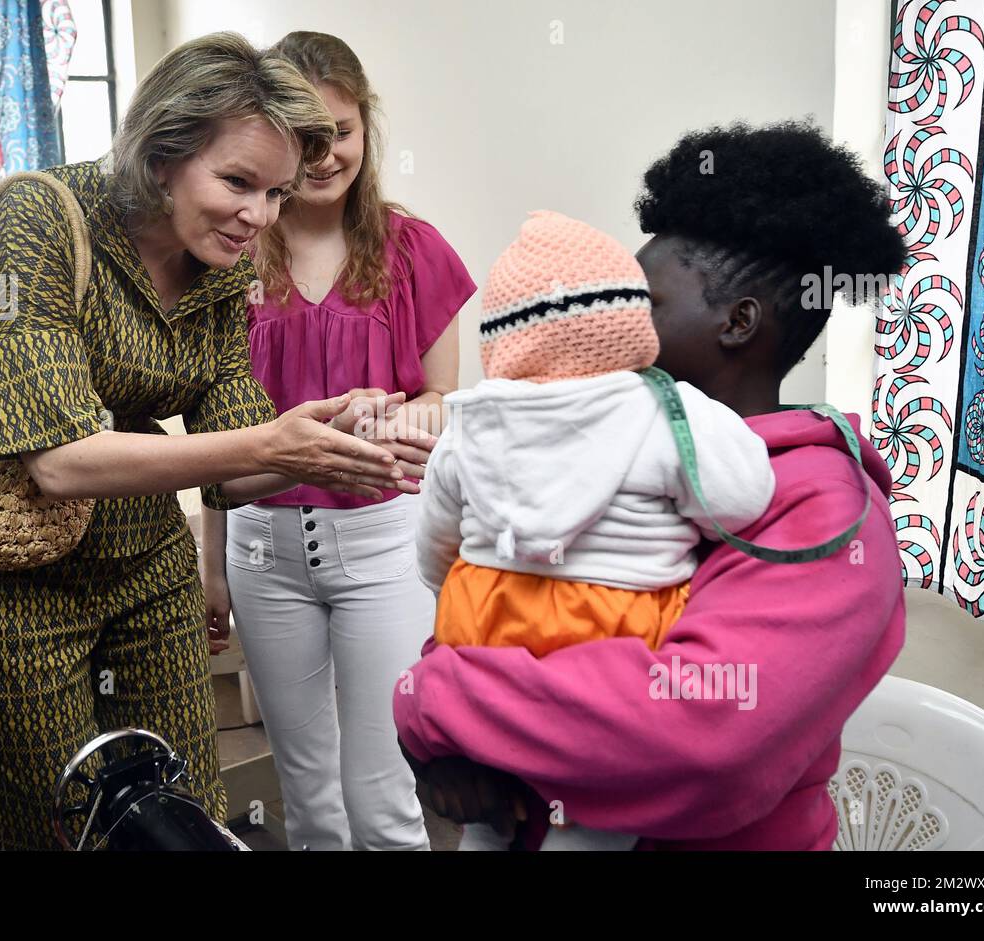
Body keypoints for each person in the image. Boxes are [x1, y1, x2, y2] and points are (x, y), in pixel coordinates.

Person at [0, 32, 428, 850]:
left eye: (278, 193)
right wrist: (273, 446)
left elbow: (236, 453)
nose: (259, 216)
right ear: (159, 159)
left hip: (144, 562)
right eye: (238, 182)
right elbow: (58, 460)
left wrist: (331, 436)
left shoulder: (222, 265)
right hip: (10, 575)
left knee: (184, 813)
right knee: (54, 820)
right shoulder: (42, 215)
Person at [395, 122, 910, 851]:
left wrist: (434, 703)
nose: (607, 323)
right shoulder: (595, 444)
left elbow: (698, 732)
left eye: (640, 302)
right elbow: (496, 601)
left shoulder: (826, 511)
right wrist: (447, 749)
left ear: (738, 323)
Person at [417, 211, 775, 850]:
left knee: (486, 813)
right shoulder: (670, 411)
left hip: (484, 625)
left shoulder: (474, 420)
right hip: (609, 639)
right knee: (596, 815)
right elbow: (740, 501)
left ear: (501, 340)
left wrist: (464, 586)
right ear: (631, 322)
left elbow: (436, 541)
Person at [203, 31, 474, 850]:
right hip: (260, 550)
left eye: (343, 132)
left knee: (384, 795)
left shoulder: (412, 248)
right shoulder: (231, 254)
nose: (326, 157)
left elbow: (442, 397)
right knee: (309, 795)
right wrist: (213, 567)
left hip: (381, 544)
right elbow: (220, 443)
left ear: (368, 131)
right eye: (307, 138)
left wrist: (398, 418)